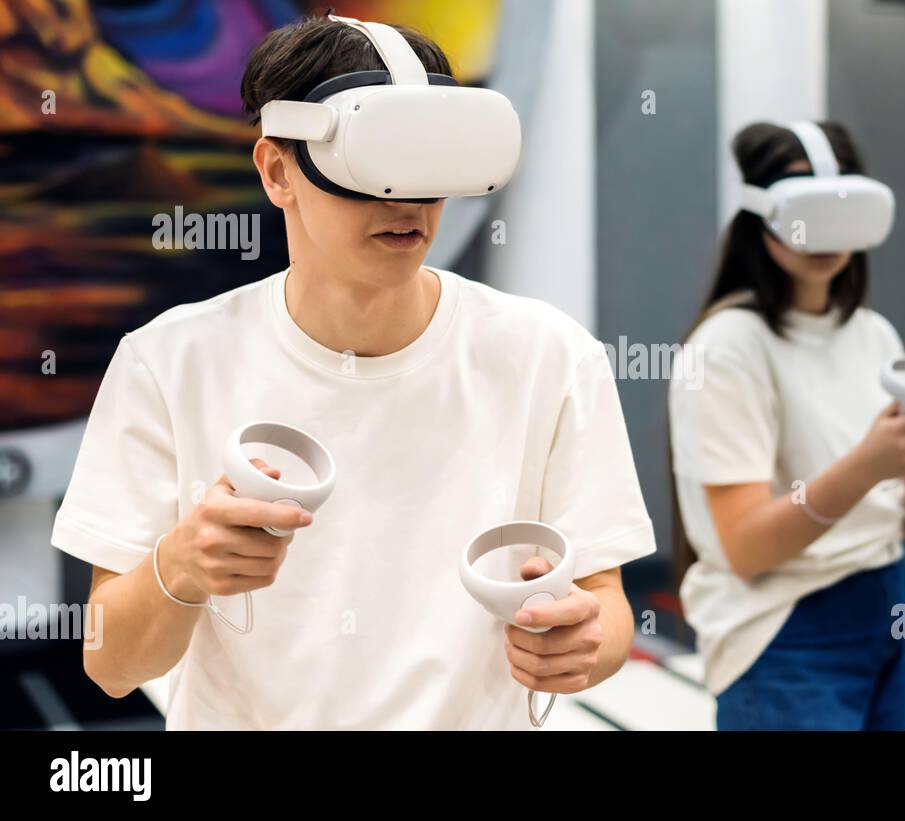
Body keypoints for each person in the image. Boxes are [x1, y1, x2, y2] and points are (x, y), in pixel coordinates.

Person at [50, 14, 655, 730]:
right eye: (370, 166)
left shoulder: (548, 358)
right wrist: (181, 566)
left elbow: (605, 601)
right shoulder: (171, 362)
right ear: (279, 171)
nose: (405, 202)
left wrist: (585, 640)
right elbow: (111, 664)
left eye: (430, 165)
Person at [668, 121, 905, 731]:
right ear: (761, 213)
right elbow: (746, 548)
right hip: (785, 631)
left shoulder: (873, 334)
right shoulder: (727, 348)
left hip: (882, 606)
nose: (823, 233)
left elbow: (879, 517)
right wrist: (867, 466)